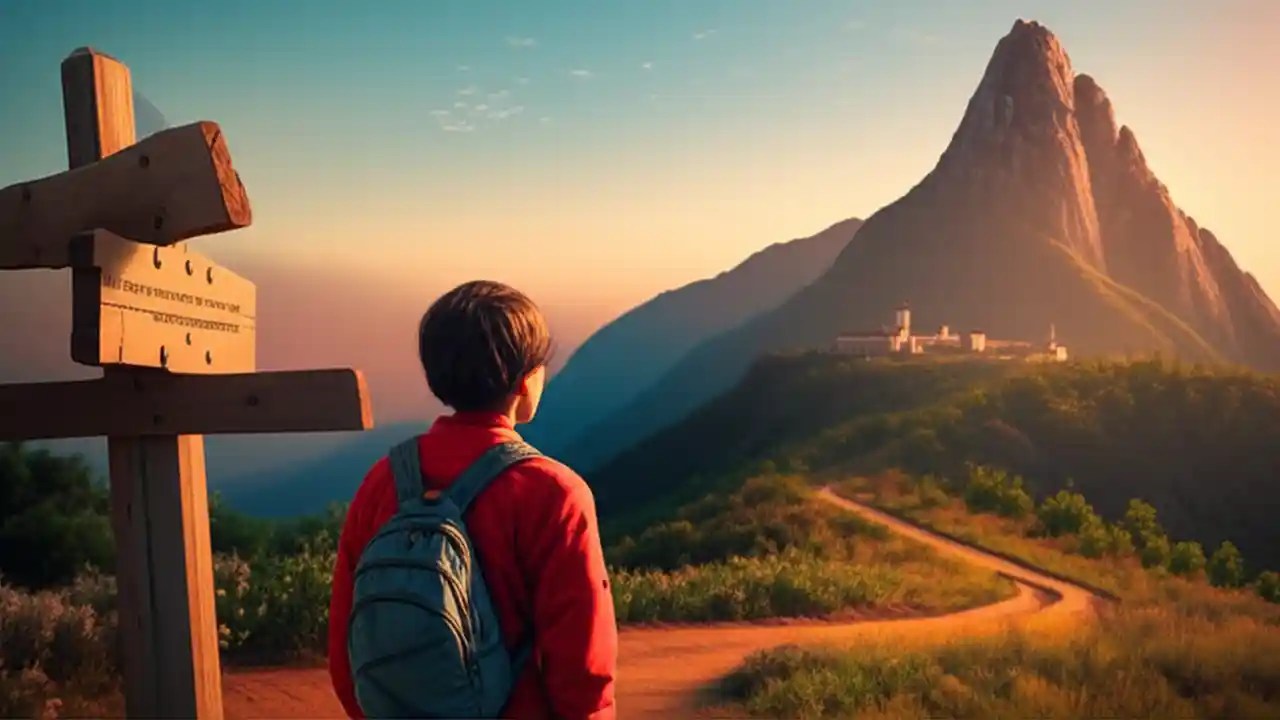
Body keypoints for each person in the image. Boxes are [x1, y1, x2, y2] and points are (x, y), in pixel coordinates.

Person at [327, 280, 618, 719]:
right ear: (525, 380)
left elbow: (347, 645)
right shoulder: (553, 493)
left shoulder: (381, 482)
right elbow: (581, 665)